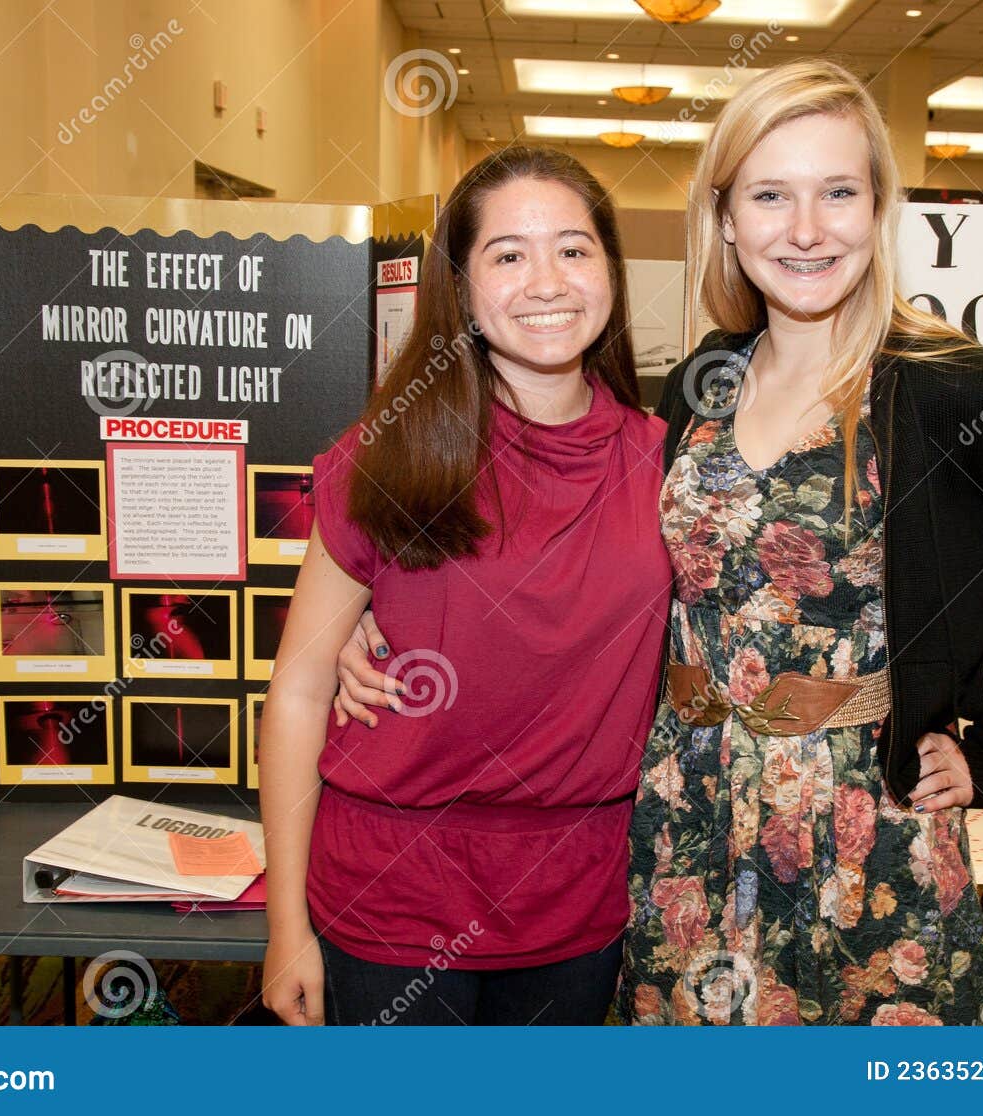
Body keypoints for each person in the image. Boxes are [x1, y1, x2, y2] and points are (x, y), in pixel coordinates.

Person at [618, 58, 983, 1025]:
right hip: (686, 808)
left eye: (838, 193)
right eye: (771, 194)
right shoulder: (703, 378)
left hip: (861, 826)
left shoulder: (945, 383)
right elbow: (639, 579)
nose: (808, 228)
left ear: (878, 210)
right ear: (726, 217)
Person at [259, 146, 673, 1026]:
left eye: (573, 248)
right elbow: (297, 687)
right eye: (508, 254)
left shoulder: (670, 463)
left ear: (610, 271)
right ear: (461, 287)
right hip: (388, 902)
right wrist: (286, 924)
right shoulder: (389, 458)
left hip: (578, 902)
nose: (547, 281)